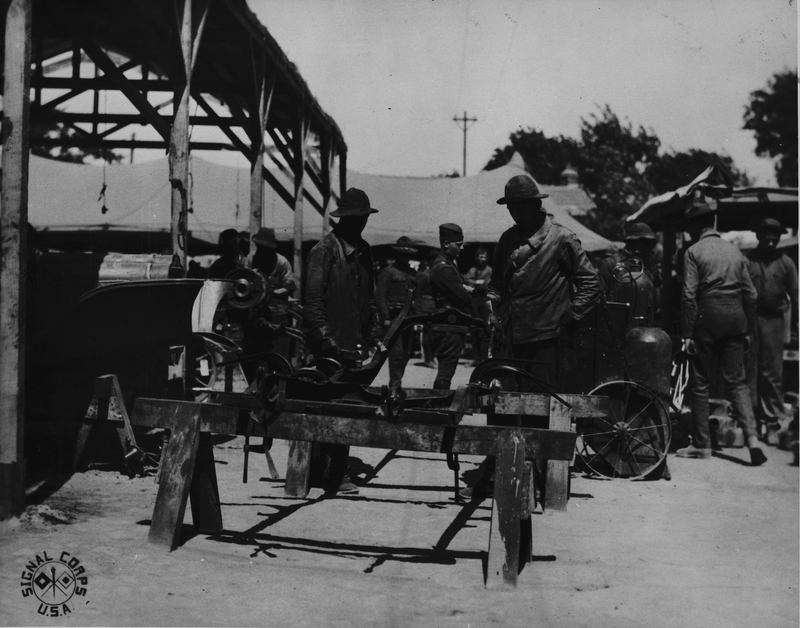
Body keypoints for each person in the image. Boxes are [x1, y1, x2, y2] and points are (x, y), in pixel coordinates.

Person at [484, 174, 599, 389]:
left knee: (539, 403)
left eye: (520, 207)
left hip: (546, 337)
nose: (514, 213)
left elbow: (590, 282)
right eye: (511, 208)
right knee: (503, 403)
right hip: (509, 336)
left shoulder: (562, 238)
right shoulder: (507, 239)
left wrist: (572, 316)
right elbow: (496, 285)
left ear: (536, 205)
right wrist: (491, 310)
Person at [677, 201, 767, 466]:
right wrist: (748, 329)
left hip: (707, 317)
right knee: (737, 382)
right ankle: (753, 439)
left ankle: (702, 444)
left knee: (701, 380)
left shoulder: (693, 251)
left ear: (696, 224)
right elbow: (751, 295)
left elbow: (688, 295)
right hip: (735, 319)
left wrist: (687, 334)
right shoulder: (735, 252)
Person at [303, 188, 380, 494]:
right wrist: (324, 340)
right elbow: (312, 302)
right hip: (329, 348)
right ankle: (322, 474)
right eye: (356, 218)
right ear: (345, 218)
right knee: (323, 408)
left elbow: (368, 298)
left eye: (363, 218)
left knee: (347, 407)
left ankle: (336, 473)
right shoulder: (324, 251)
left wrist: (372, 332)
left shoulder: (364, 250)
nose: (360, 224)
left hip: (354, 343)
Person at [745, 217, 798, 445]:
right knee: (750, 370)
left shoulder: (786, 262)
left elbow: (796, 296)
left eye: (774, 235)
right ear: (758, 235)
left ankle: (773, 422)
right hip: (751, 319)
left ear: (778, 238)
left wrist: (796, 325)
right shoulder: (748, 260)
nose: (769, 239)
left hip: (775, 320)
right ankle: (750, 423)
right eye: (765, 234)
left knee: (772, 373)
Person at [429, 223, 474, 389]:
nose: (461, 249)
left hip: (450, 323)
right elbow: (463, 296)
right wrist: (466, 289)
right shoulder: (443, 268)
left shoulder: (448, 264)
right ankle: (438, 405)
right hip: (449, 324)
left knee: (447, 369)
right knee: (446, 372)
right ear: (446, 243)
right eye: (458, 245)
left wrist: (464, 286)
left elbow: (462, 284)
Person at [375, 236, 420, 389]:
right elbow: (381, 295)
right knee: (396, 354)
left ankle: (396, 383)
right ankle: (395, 386)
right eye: (402, 254)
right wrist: (386, 317)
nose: (405, 257)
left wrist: (418, 317)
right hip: (394, 318)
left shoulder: (413, 273)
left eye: (407, 254)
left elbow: (417, 296)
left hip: (409, 318)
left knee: (407, 353)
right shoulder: (388, 272)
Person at [597, 222, 657, 326]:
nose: (650, 249)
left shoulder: (643, 267)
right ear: (637, 243)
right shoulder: (610, 264)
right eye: (647, 245)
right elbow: (598, 297)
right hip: (615, 325)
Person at [464, 247, 493, 364]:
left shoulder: (489, 270)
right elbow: (466, 280)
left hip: (484, 302)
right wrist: (476, 283)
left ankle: (483, 358)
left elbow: (486, 285)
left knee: (484, 331)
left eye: (484, 257)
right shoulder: (473, 270)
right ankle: (476, 358)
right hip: (474, 302)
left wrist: (476, 284)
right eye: (480, 257)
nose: (482, 259)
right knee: (474, 331)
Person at [412, 254, 437, 368]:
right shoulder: (424, 276)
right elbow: (418, 295)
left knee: (433, 336)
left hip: (434, 309)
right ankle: (428, 359)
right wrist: (418, 313)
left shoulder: (434, 275)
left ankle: (432, 358)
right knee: (428, 336)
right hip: (426, 308)